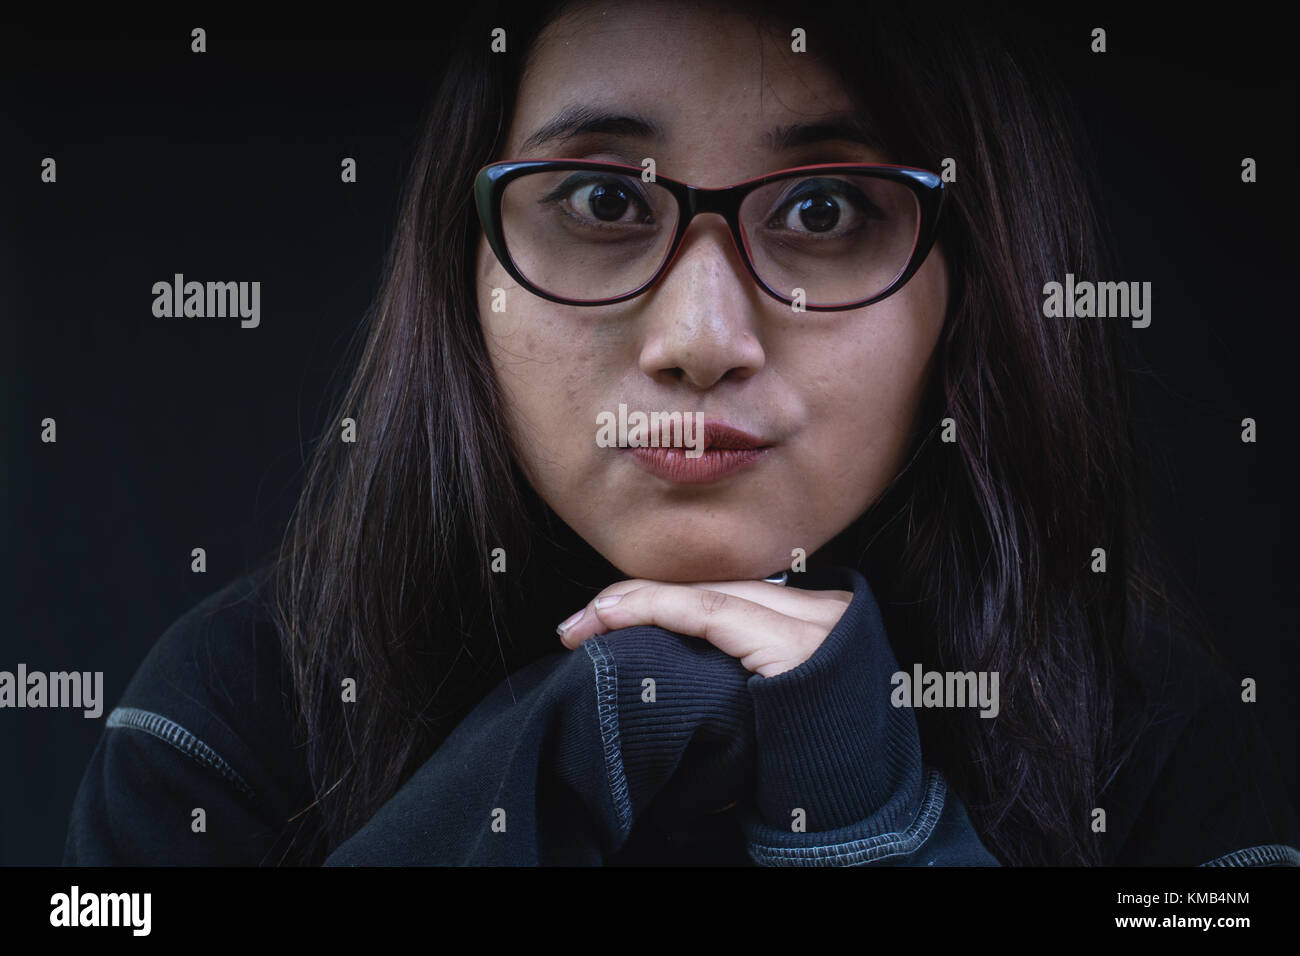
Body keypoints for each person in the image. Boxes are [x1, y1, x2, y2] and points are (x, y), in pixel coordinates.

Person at [64, 0, 1299, 866]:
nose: (701, 336)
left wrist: (872, 825)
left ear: (966, 286)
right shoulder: (231, 715)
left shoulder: (1146, 733)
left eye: (824, 209)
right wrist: (558, 749)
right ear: (465, 271)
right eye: (601, 200)